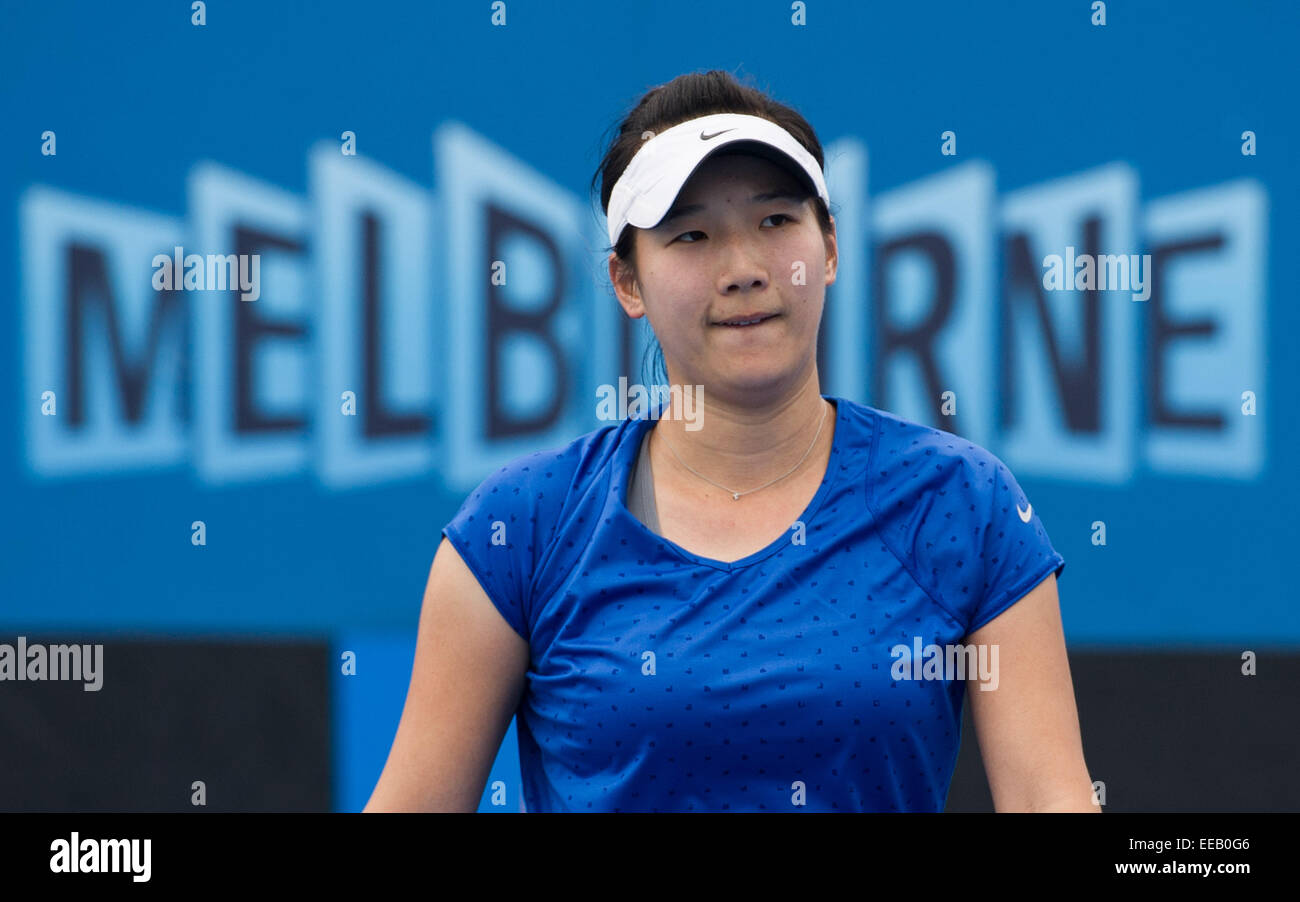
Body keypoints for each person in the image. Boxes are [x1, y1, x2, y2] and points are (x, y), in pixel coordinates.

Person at [365, 70, 1095, 813]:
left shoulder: (962, 502)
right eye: (691, 235)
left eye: (776, 222)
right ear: (627, 282)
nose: (744, 270)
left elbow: (1048, 799)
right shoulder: (521, 524)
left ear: (831, 246)